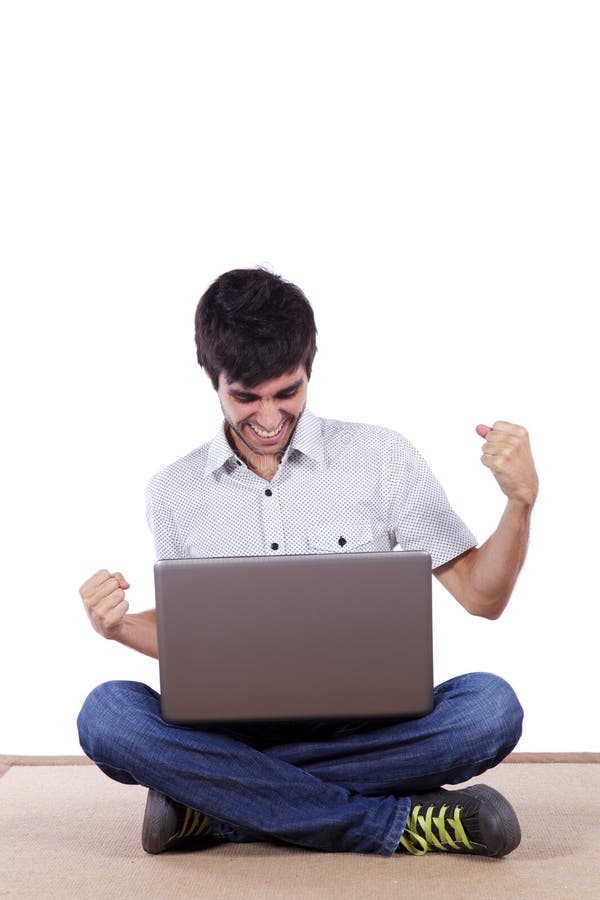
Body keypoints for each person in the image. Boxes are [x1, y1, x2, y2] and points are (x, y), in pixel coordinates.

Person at [77, 267, 538, 858]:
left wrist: (518, 502)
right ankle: (393, 824)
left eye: (286, 393)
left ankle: (216, 804)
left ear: (308, 370)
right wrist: (116, 626)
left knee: (490, 708)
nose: (268, 419)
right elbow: (192, 638)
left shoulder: (382, 457)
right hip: (232, 730)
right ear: (210, 378)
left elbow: (483, 597)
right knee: (108, 714)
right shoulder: (173, 491)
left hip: (366, 727)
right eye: (246, 397)